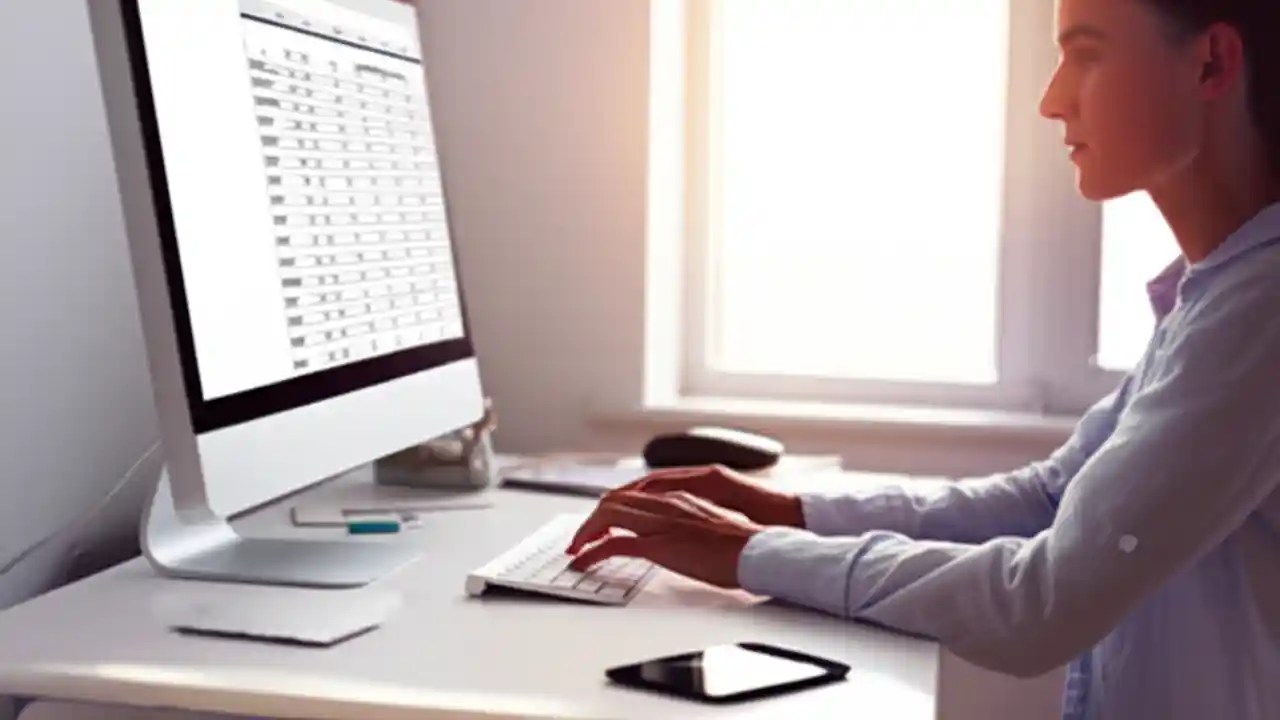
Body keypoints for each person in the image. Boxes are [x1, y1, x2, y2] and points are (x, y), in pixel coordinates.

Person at [566, 0, 1280, 717]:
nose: (1051, 99)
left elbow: (1041, 604)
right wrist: (792, 512)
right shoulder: (1216, 294)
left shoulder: (1260, 309)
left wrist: (750, 554)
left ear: (1210, 62)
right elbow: (1051, 498)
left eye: (1087, 54)